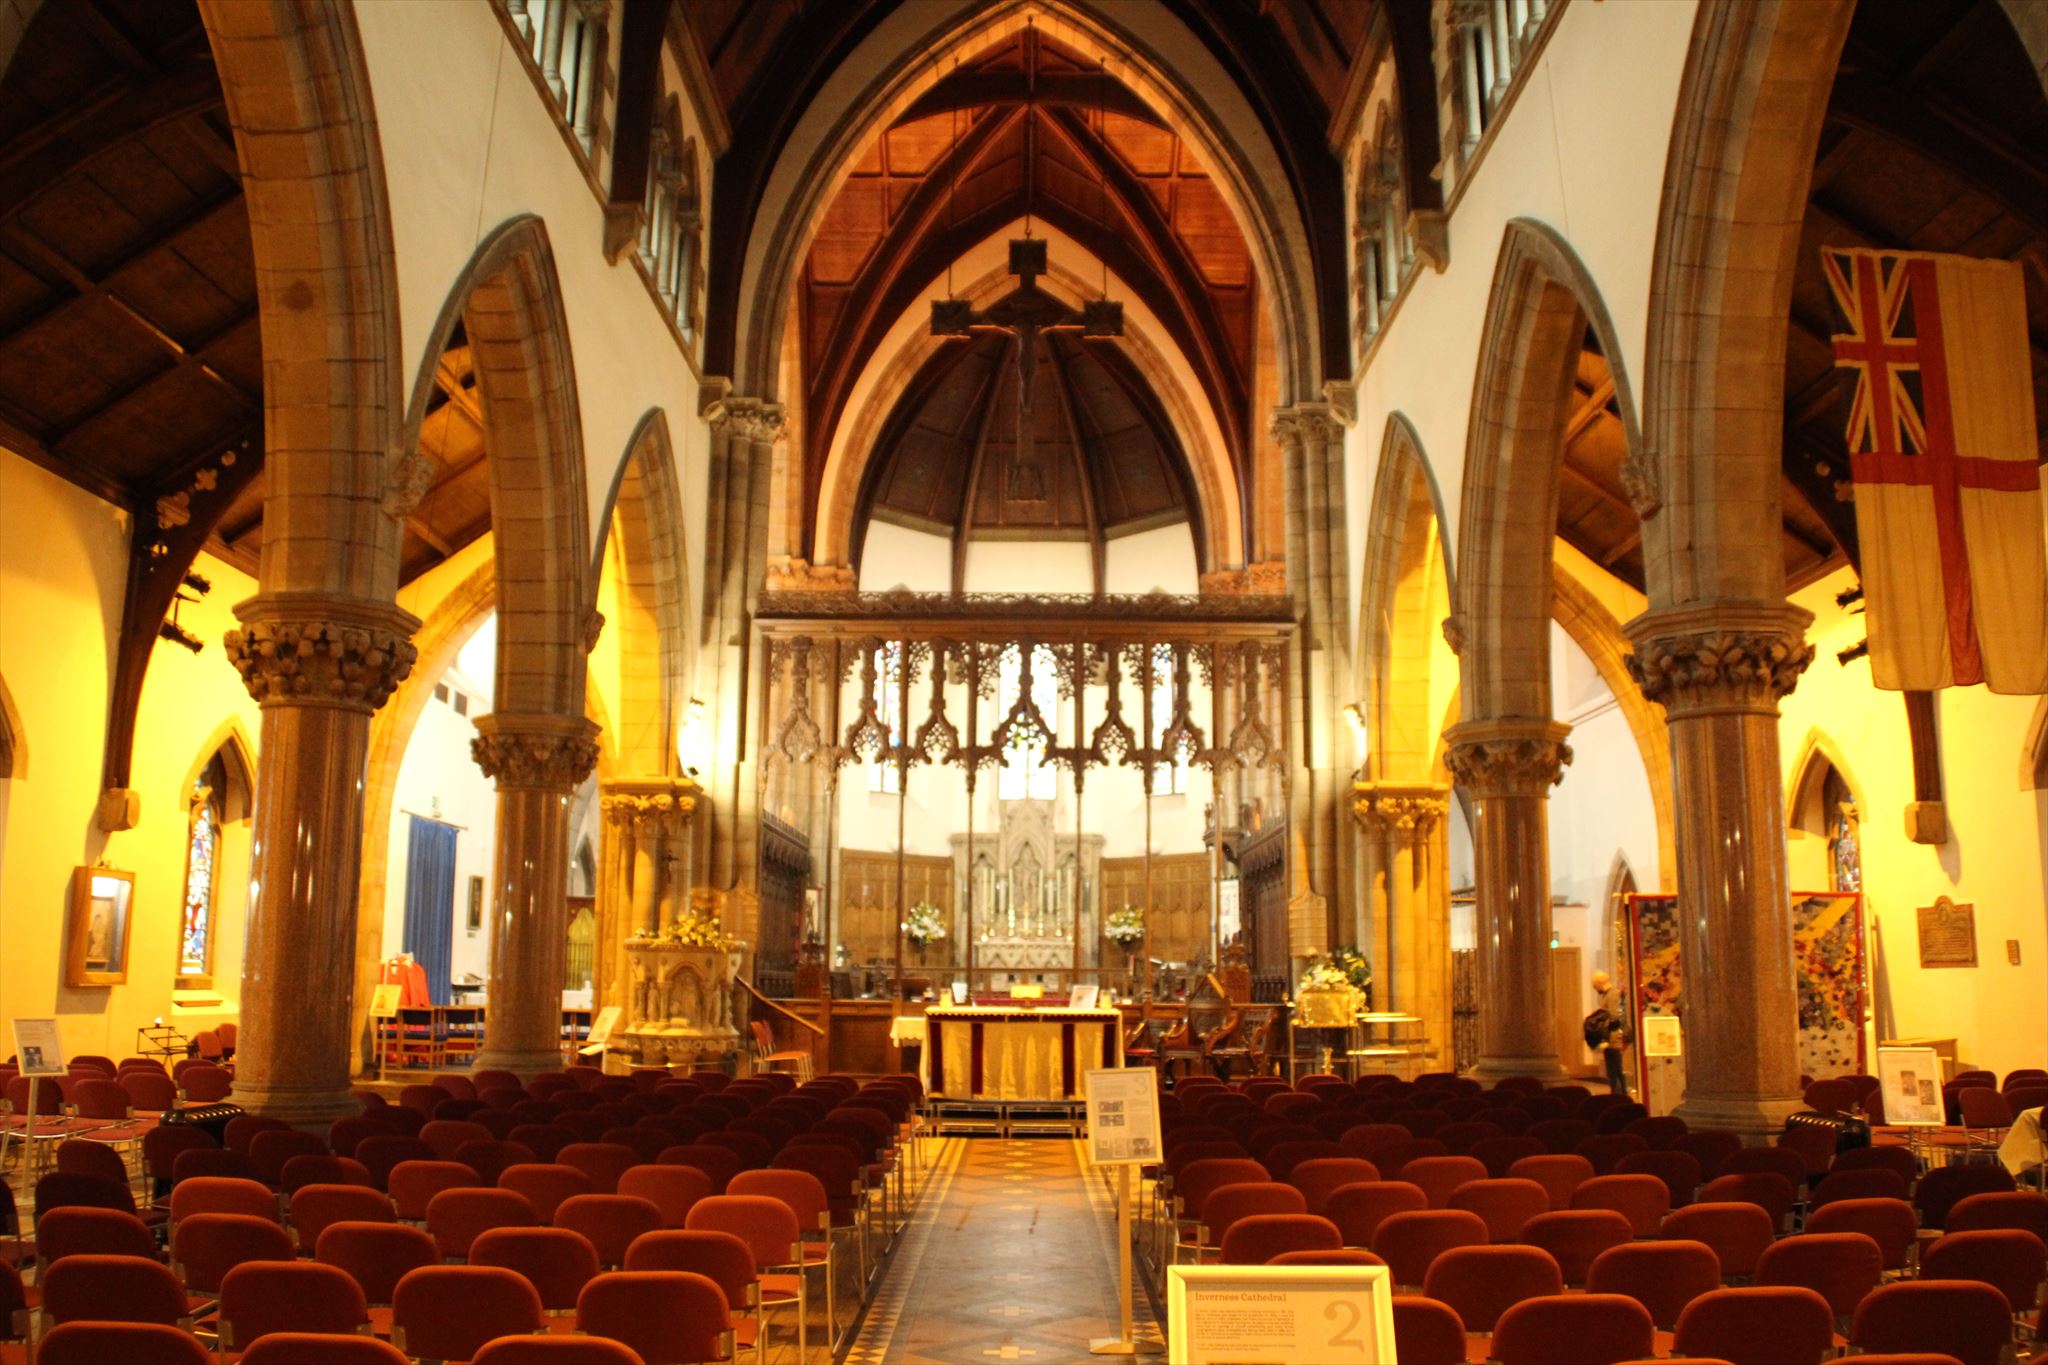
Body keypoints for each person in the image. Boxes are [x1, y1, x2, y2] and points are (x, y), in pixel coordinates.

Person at [1584, 970, 1631, 1096]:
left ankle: (1620, 1094)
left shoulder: (1613, 995)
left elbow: (1614, 1016)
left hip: (1614, 1037)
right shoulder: (1605, 995)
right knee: (1611, 1069)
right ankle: (1616, 1092)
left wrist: (1599, 1025)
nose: (1595, 988)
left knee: (1616, 1069)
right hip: (1608, 1037)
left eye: (1595, 985)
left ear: (1600, 982)